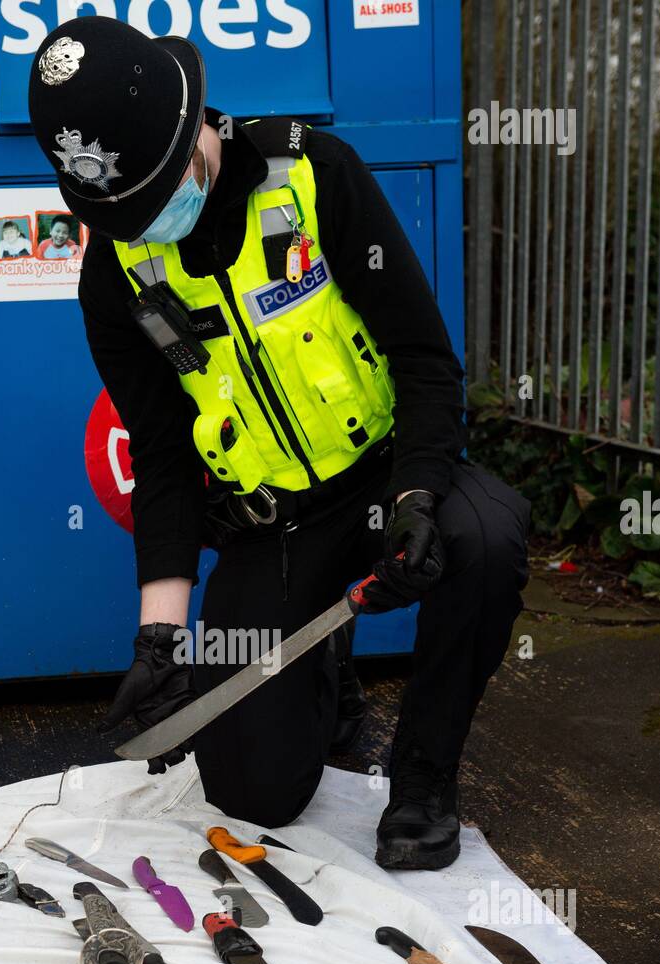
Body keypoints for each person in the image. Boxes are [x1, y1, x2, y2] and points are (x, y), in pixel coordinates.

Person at [29, 16, 530, 871]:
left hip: (384, 483)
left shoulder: (316, 176)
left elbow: (422, 360)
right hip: (272, 527)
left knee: (482, 536)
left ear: (195, 132)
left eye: (152, 203)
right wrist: (160, 637)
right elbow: (160, 454)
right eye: (121, 215)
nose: (146, 229)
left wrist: (416, 496)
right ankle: (323, 681)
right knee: (251, 794)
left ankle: (421, 777)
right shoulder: (113, 270)